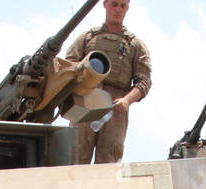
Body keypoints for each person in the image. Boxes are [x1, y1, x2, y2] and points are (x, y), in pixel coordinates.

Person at [65, 0, 152, 164]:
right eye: (114, 4)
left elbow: (144, 81)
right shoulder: (87, 38)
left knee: (109, 162)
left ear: (127, 8)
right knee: (75, 157)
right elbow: (67, 69)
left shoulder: (135, 45)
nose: (118, 9)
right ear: (105, 4)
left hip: (115, 108)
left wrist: (127, 100)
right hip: (85, 102)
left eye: (123, 6)